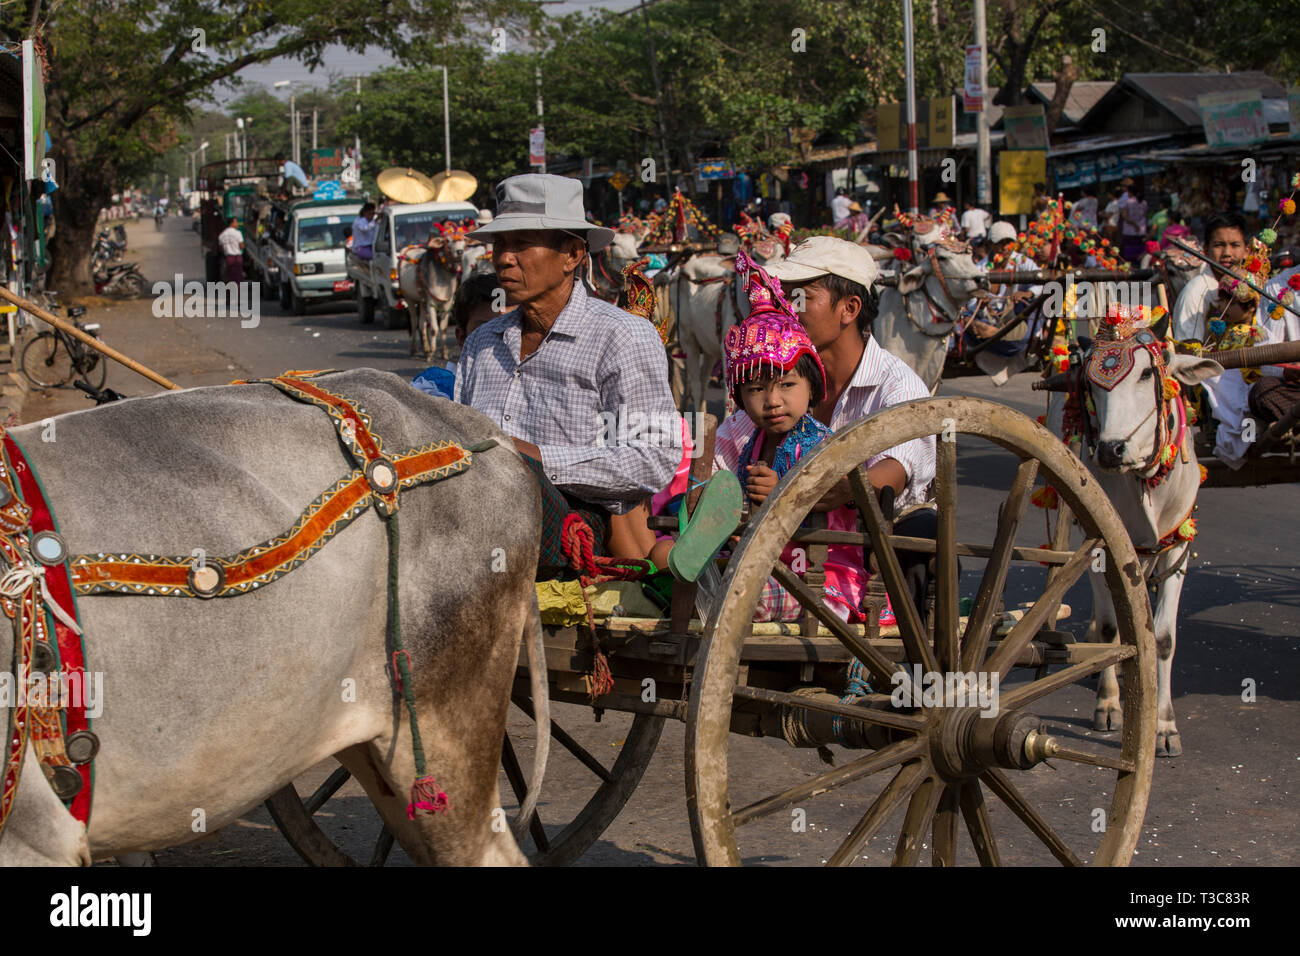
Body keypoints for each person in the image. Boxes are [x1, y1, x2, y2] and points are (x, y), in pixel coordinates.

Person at [455, 173, 680, 576]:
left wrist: (537, 459)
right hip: (480, 523)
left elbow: (653, 459)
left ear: (572, 254)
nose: (505, 258)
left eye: (521, 245)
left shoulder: (621, 336)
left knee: (513, 473)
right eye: (501, 245)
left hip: (577, 526)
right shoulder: (481, 343)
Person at [713, 236, 938, 613]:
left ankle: (897, 660)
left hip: (873, 545)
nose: (787, 308)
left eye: (800, 297)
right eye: (784, 296)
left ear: (849, 309)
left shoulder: (897, 386)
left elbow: (889, 475)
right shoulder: (779, 377)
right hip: (790, 548)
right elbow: (728, 445)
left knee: (921, 539)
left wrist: (791, 487)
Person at [718, 252, 879, 624]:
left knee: (739, 596)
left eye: (787, 385)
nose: (772, 401)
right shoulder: (752, 443)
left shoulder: (822, 446)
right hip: (770, 569)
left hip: (824, 581)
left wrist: (783, 496)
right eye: (756, 389)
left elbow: (833, 517)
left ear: (812, 387)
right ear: (739, 398)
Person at [411, 271, 500, 400]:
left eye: (514, 329)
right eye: (487, 330)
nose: (503, 339)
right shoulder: (436, 389)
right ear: (462, 338)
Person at [1171, 213, 1248, 342]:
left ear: (1247, 250)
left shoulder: (1253, 287)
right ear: (1206, 250)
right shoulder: (1195, 293)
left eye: (1235, 245)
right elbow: (1189, 353)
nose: (1227, 253)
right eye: (1219, 245)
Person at [1118, 178, 1147, 263]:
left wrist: (1134, 224)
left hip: (1129, 231)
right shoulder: (1144, 202)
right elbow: (1145, 216)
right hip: (1141, 231)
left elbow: (1124, 216)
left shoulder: (1128, 202)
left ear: (1130, 192)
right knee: (1139, 250)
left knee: (1129, 251)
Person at [218, 216, 244, 282]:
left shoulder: (222, 235)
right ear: (231, 223)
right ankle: (238, 291)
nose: (237, 224)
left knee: (230, 276)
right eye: (236, 222)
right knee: (238, 276)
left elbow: (221, 249)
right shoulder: (238, 233)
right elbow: (241, 246)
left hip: (229, 258)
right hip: (237, 258)